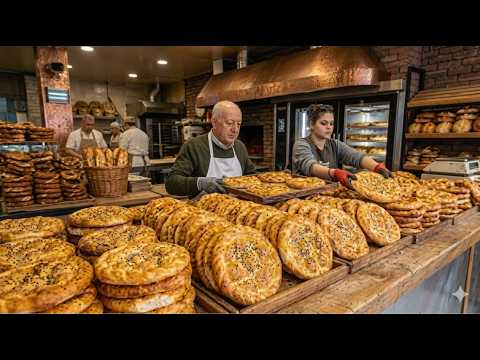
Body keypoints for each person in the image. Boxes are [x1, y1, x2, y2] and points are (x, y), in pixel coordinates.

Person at [166, 100, 256, 197]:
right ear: (214, 122)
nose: (235, 129)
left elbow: (253, 176)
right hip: (204, 208)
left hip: (240, 209)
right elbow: (172, 182)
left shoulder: (239, 147)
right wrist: (200, 183)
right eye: (229, 123)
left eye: (238, 124)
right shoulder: (194, 146)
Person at [292, 104, 392, 188]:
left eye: (331, 124)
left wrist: (376, 167)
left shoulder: (335, 144)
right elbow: (311, 167)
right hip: (303, 195)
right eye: (323, 123)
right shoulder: (301, 144)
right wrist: (334, 173)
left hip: (328, 194)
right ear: (312, 124)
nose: (329, 127)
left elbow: (356, 157)